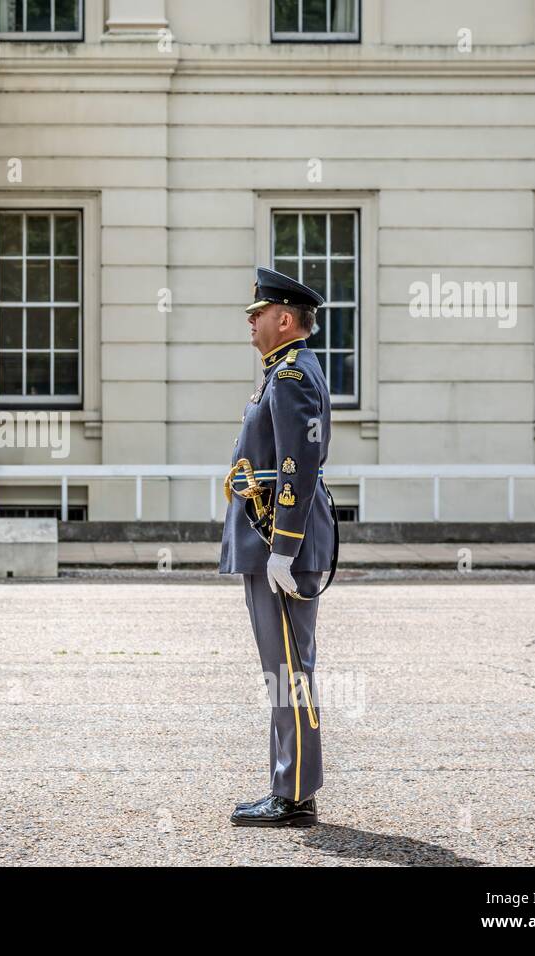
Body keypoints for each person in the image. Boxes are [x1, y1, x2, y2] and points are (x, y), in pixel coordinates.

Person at [219, 267, 335, 828]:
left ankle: (292, 795)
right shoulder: (281, 372)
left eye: (258, 312)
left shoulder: (290, 376)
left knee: (288, 670)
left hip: (277, 538)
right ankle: (288, 786)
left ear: (285, 319)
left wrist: (283, 548)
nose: (251, 320)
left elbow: (298, 463)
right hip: (272, 536)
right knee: (283, 668)